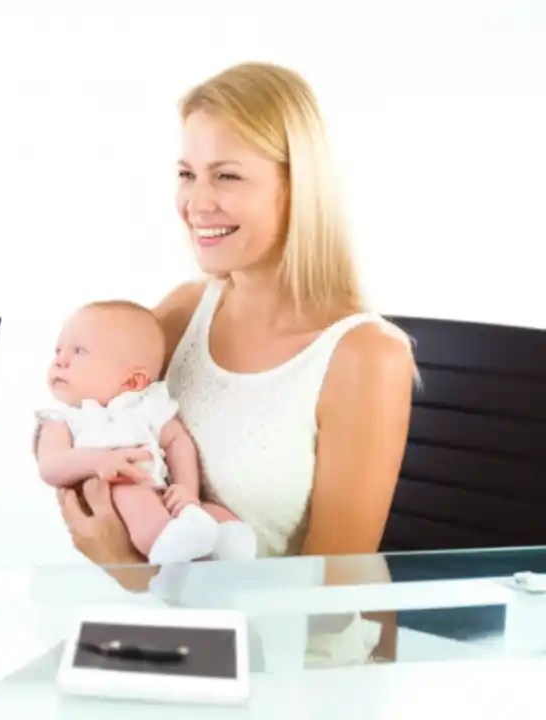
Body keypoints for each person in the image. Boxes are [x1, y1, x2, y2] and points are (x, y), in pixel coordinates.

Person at [56, 62, 415, 571]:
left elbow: (335, 596)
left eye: (226, 176)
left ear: (296, 187)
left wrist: (133, 571)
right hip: (154, 629)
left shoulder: (365, 356)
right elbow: (81, 415)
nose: (197, 203)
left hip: (282, 643)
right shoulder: (182, 314)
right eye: (187, 175)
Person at [35, 300, 257, 565]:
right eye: (58, 351)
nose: (60, 361)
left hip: (158, 488)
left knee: (203, 511)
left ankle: (226, 540)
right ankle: (169, 543)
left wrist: (186, 490)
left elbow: (178, 441)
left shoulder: (148, 405)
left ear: (132, 381)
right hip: (113, 490)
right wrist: (100, 462)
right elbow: (51, 465)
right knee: (134, 498)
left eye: (78, 351)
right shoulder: (65, 418)